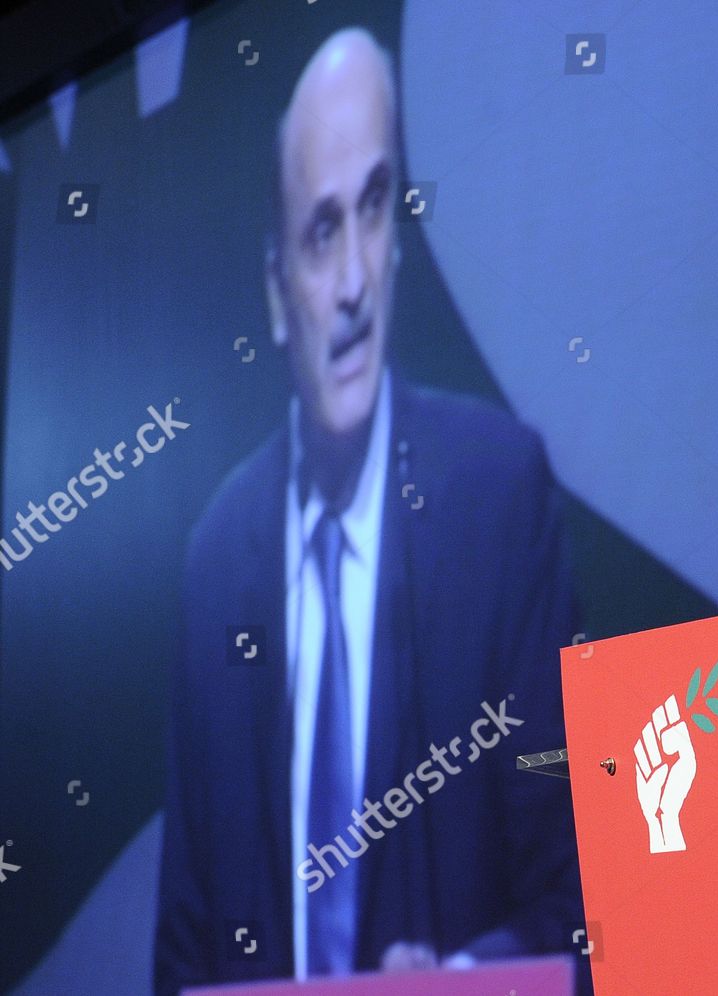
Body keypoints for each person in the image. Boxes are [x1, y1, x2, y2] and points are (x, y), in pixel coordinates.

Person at [154, 27, 583, 993]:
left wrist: (458, 977)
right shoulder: (218, 556)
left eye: (375, 211)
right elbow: (182, 949)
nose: (351, 280)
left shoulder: (496, 493)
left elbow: (579, 895)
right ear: (276, 291)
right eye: (319, 232)